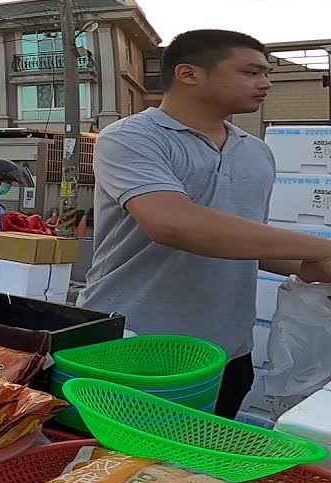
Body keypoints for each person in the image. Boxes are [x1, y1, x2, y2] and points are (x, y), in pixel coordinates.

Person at [79, 29, 331, 420]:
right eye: (250, 72)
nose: (264, 83)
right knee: (120, 469)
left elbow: (248, 245)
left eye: (266, 73)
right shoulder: (131, 138)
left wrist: (309, 268)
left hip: (228, 351)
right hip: (134, 344)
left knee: (201, 476)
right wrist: (319, 248)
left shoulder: (257, 153)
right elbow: (173, 224)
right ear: (188, 74)